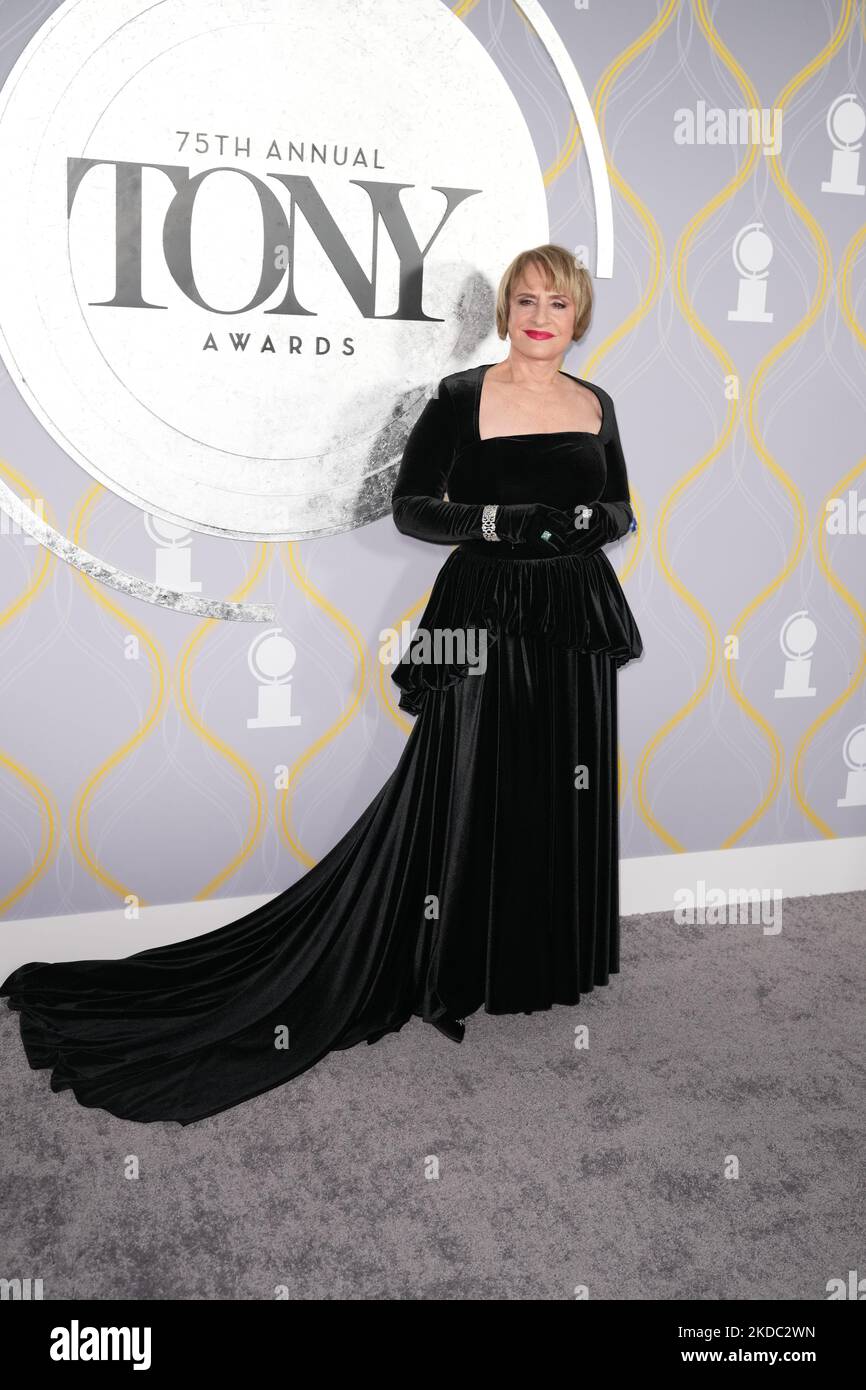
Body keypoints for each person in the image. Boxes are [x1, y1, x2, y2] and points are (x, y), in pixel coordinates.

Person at [0, 244, 642, 1125]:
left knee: (558, 776)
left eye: (557, 303)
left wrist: (582, 520)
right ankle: (453, 960)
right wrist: (501, 521)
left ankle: (545, 962)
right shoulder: (460, 399)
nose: (540, 315)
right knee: (462, 777)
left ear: (578, 317)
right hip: (480, 606)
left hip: (572, 611)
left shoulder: (595, 403)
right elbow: (416, 507)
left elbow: (621, 510)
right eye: (524, 299)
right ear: (506, 311)